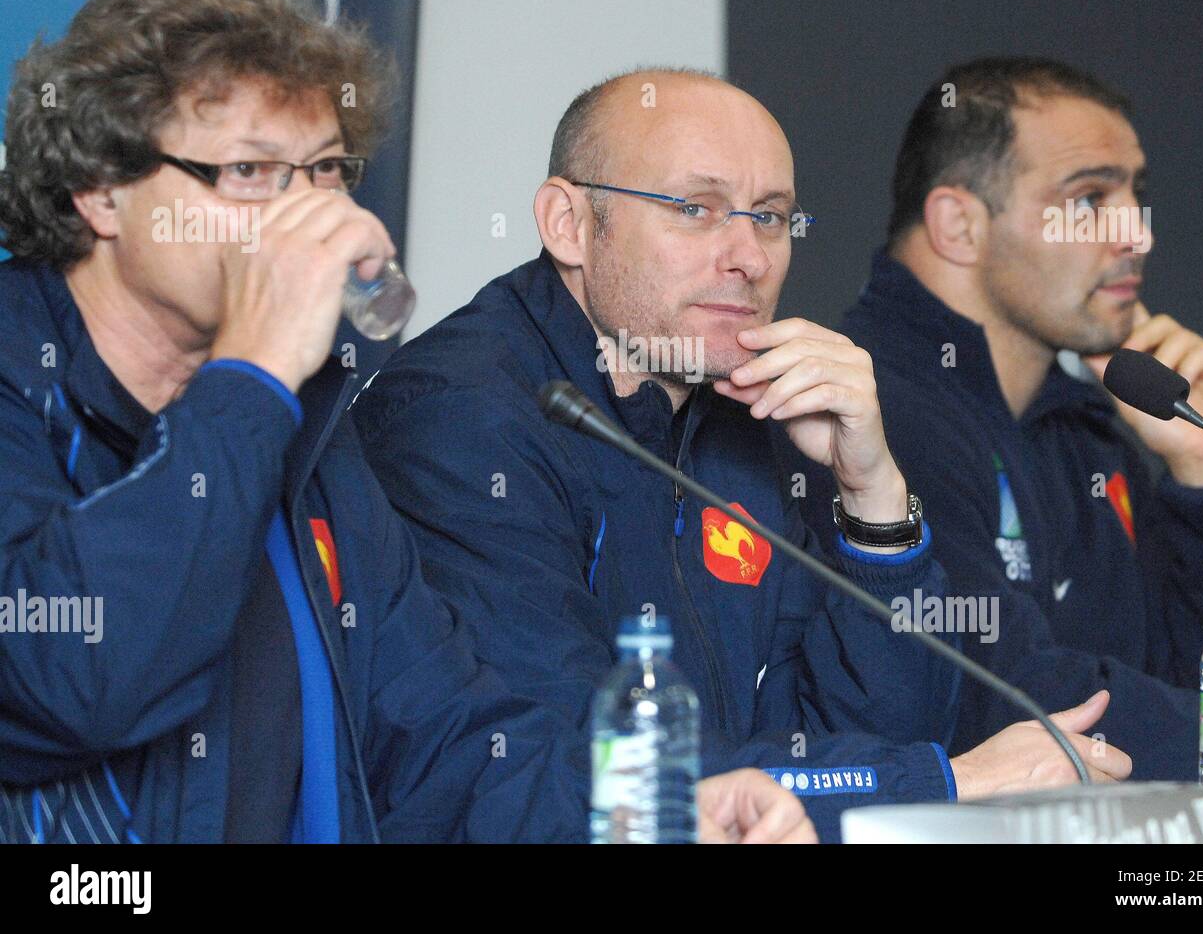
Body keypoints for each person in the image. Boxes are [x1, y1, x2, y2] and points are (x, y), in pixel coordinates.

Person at [0, 0, 815, 845]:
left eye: (323, 171)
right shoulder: (181, 388)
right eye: (248, 171)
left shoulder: (297, 426)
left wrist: (650, 815)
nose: (307, 215)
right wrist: (255, 368)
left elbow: (444, 745)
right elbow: (72, 684)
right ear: (101, 190)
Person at [352, 67, 1131, 843]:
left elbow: (869, 730)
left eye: (770, 218)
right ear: (568, 223)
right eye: (696, 209)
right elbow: (593, 785)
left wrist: (873, 496)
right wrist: (951, 780)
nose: (749, 257)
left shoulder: (736, 410)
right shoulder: (459, 416)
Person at [798, 57, 1203, 778]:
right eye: (1091, 198)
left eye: (1137, 196)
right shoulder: (863, 411)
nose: (1138, 235)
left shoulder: (1088, 427)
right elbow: (1007, 693)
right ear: (961, 225)